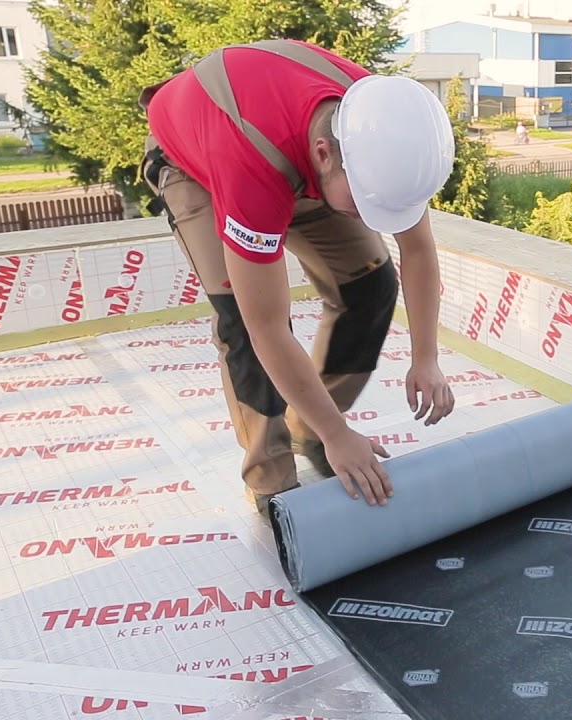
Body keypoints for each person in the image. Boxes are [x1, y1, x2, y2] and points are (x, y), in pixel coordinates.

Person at [137, 38, 457, 518]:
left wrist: (426, 357)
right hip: (199, 163)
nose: (374, 218)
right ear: (325, 155)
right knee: (242, 324)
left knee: (369, 282)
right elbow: (266, 324)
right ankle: (272, 484)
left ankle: (312, 427)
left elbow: (417, 248)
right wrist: (339, 435)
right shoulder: (251, 163)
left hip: (297, 153)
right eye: (368, 205)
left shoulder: (379, 127)